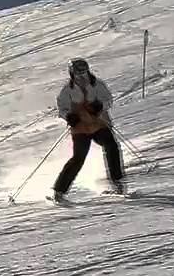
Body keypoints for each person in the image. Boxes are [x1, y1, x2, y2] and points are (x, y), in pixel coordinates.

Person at [53, 57, 126, 201]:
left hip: (99, 124)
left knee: (111, 147)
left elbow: (108, 100)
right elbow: (62, 108)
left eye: (84, 73)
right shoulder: (67, 90)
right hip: (81, 128)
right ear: (72, 74)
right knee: (78, 158)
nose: (82, 77)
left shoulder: (97, 85)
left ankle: (117, 183)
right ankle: (59, 191)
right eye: (78, 74)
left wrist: (100, 106)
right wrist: (69, 116)